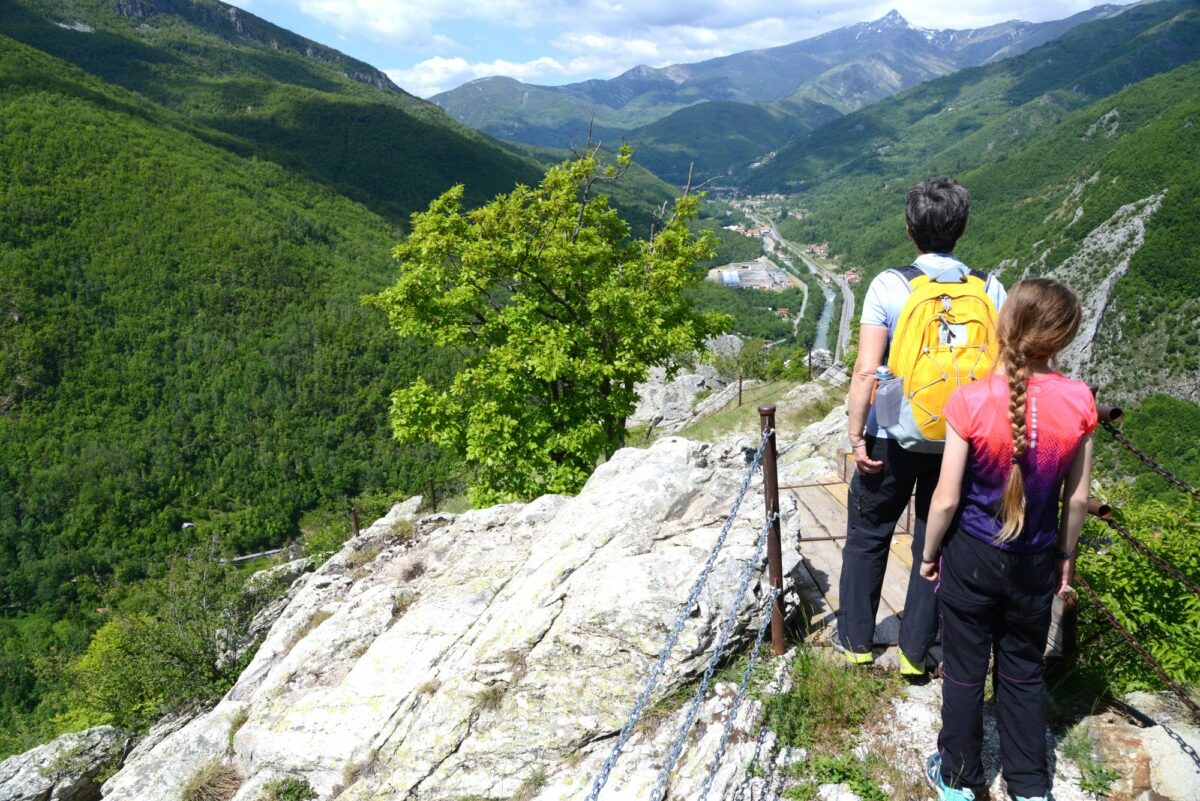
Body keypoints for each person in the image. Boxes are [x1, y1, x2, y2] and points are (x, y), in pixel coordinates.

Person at [918, 278, 1095, 801]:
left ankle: (958, 779)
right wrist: (1064, 559)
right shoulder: (1080, 400)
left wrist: (928, 554)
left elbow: (945, 499)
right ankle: (1030, 785)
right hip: (1035, 558)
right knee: (1022, 671)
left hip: (971, 554)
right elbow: (1077, 500)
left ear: (1004, 324)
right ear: (1062, 338)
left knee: (965, 672)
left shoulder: (969, 400)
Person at [834, 178, 1006, 676]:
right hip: (960, 439)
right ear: (963, 228)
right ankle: (915, 654)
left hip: (892, 433)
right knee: (936, 539)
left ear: (909, 230)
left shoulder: (890, 285)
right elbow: (1000, 371)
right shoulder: (989, 288)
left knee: (869, 533)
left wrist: (856, 434)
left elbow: (866, 370)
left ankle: (857, 643)